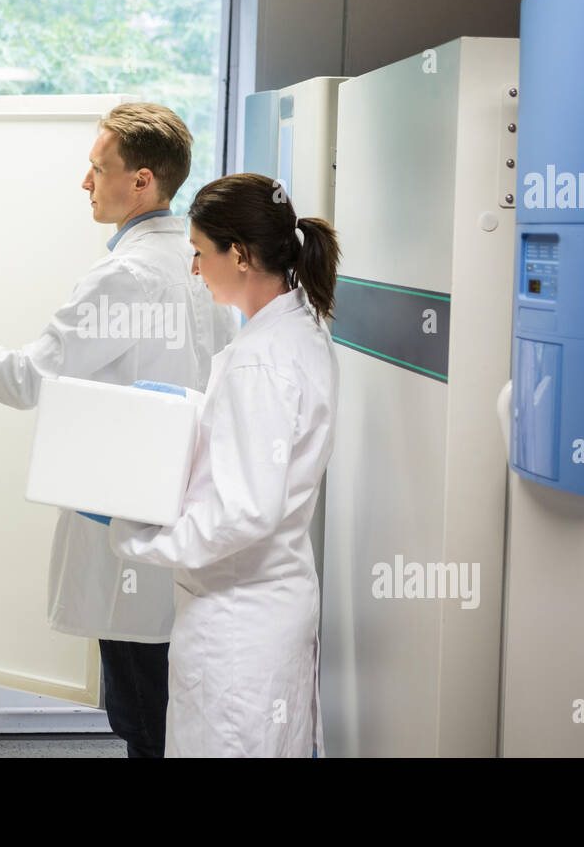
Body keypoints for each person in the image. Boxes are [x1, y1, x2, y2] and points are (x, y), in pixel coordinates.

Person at [0, 103, 238, 757]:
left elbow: (28, 379)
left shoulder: (125, 276)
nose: (85, 183)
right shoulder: (197, 263)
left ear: (143, 181)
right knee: (163, 712)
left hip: (133, 527)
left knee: (146, 719)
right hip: (183, 521)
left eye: (98, 169)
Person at [103, 172, 341, 757]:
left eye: (198, 253)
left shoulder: (260, 362)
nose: (193, 269)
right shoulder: (297, 331)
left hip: (237, 624)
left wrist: (136, 538)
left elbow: (242, 512)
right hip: (265, 607)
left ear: (238, 255)